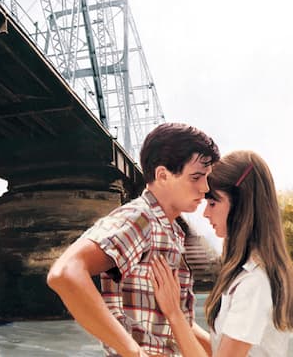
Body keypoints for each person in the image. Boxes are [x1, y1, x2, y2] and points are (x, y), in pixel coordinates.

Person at [47, 122, 220, 357]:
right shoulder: (140, 218)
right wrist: (133, 353)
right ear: (162, 175)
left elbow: (175, 325)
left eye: (207, 177)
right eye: (196, 177)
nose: (205, 188)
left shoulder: (170, 230)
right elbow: (65, 273)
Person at [151, 150, 293, 357]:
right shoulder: (246, 273)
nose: (206, 213)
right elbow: (222, 349)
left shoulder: (254, 283)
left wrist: (174, 314)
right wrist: (176, 314)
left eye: (213, 203)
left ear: (241, 206)